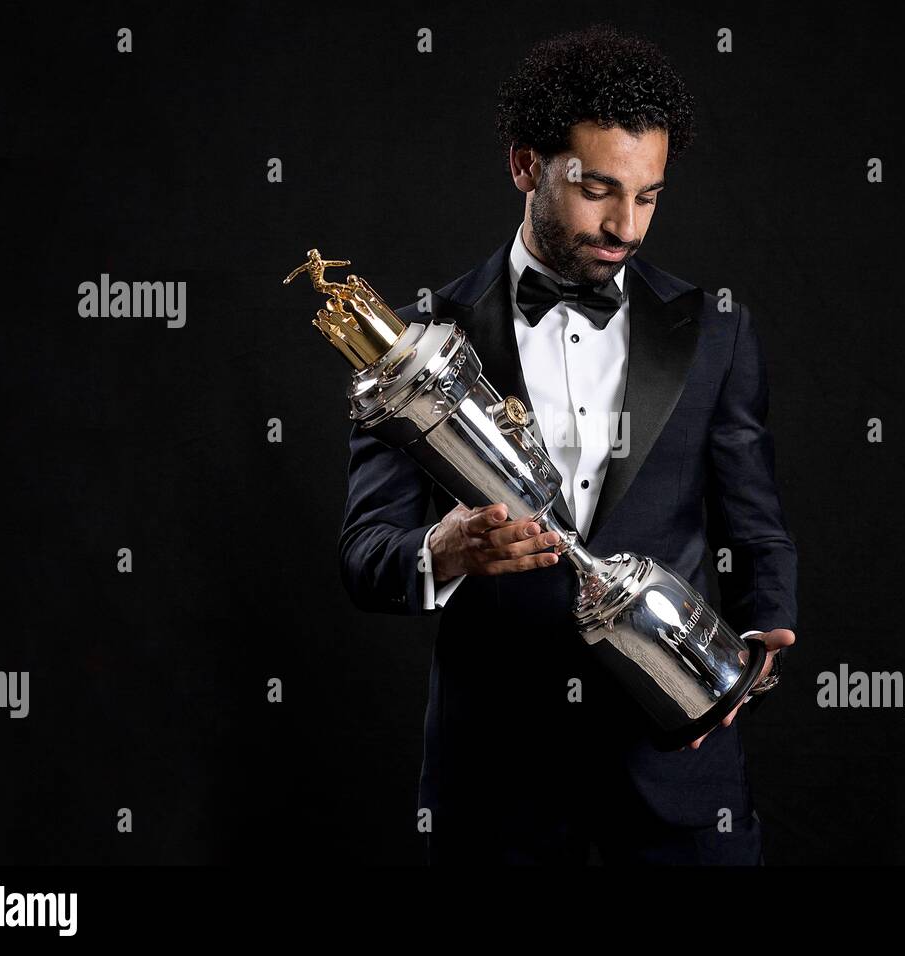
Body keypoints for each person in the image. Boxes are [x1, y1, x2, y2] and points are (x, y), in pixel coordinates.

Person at [339, 23, 797, 865]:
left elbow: (754, 524)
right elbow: (367, 554)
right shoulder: (420, 341)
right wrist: (442, 551)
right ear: (526, 165)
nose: (626, 225)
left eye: (649, 195)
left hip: (678, 777)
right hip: (496, 789)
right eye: (597, 189)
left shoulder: (716, 332)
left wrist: (765, 635)